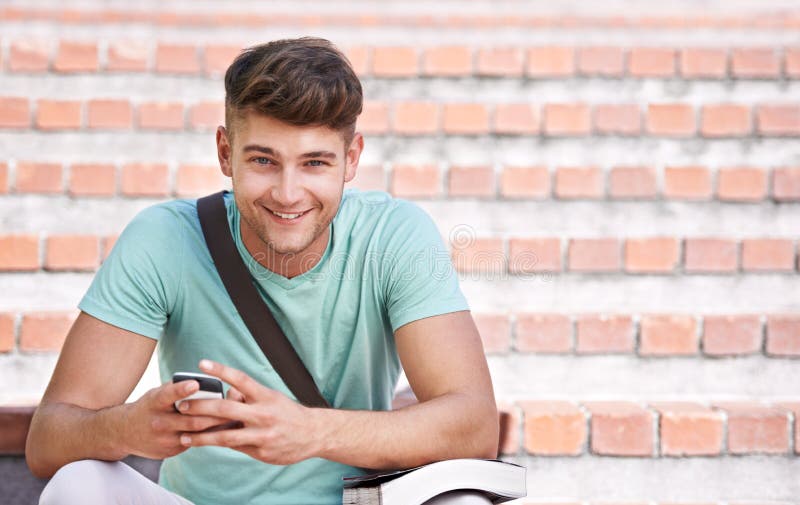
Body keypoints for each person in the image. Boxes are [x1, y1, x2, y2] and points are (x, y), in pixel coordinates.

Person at [26, 37, 498, 505]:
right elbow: (48, 441)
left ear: (351, 158)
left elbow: (475, 425)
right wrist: (126, 426)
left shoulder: (393, 236)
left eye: (314, 162)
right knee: (77, 485)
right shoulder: (164, 240)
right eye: (263, 161)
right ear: (225, 152)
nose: (288, 194)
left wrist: (309, 431)